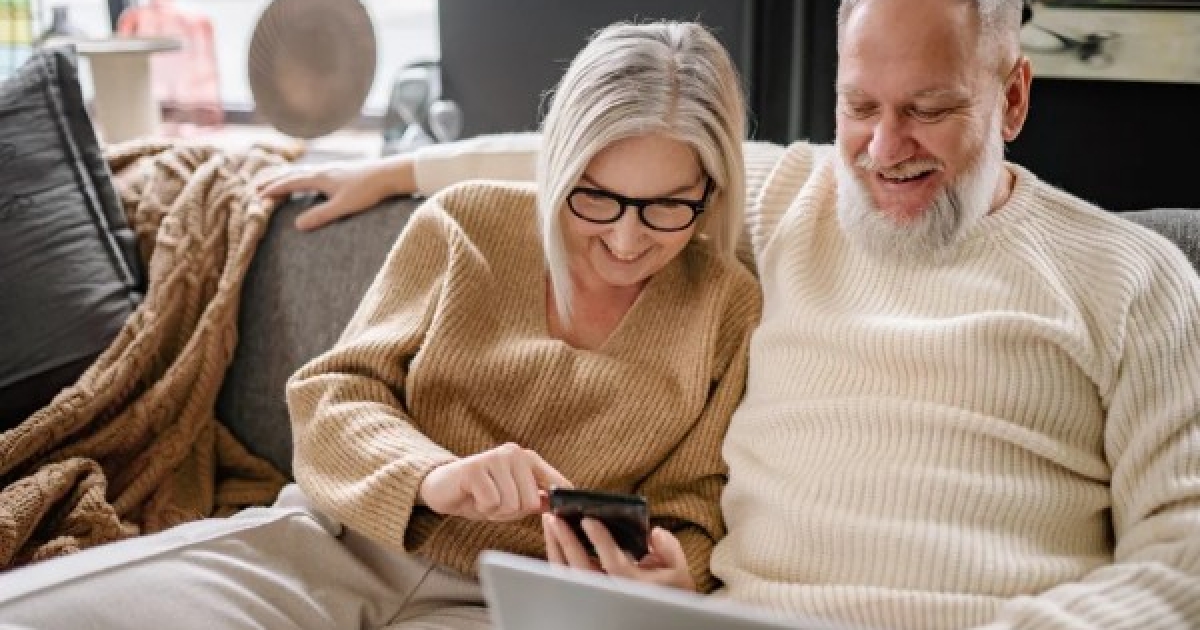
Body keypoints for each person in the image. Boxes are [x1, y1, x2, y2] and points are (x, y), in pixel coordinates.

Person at [260, 1, 1200, 629]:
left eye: (930, 109)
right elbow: (613, 150)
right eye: (860, 105)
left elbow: (1185, 558)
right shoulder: (794, 197)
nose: (884, 148)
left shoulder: (1135, 279)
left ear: (1014, 97)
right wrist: (392, 171)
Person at [0, 22, 760, 629]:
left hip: (506, 607)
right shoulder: (466, 224)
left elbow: (693, 503)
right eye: (596, 200)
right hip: (335, 544)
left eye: (668, 207)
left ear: (711, 191)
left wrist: (673, 578)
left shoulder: (725, 306)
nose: (627, 242)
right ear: (558, 166)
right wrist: (434, 474)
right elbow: (333, 396)